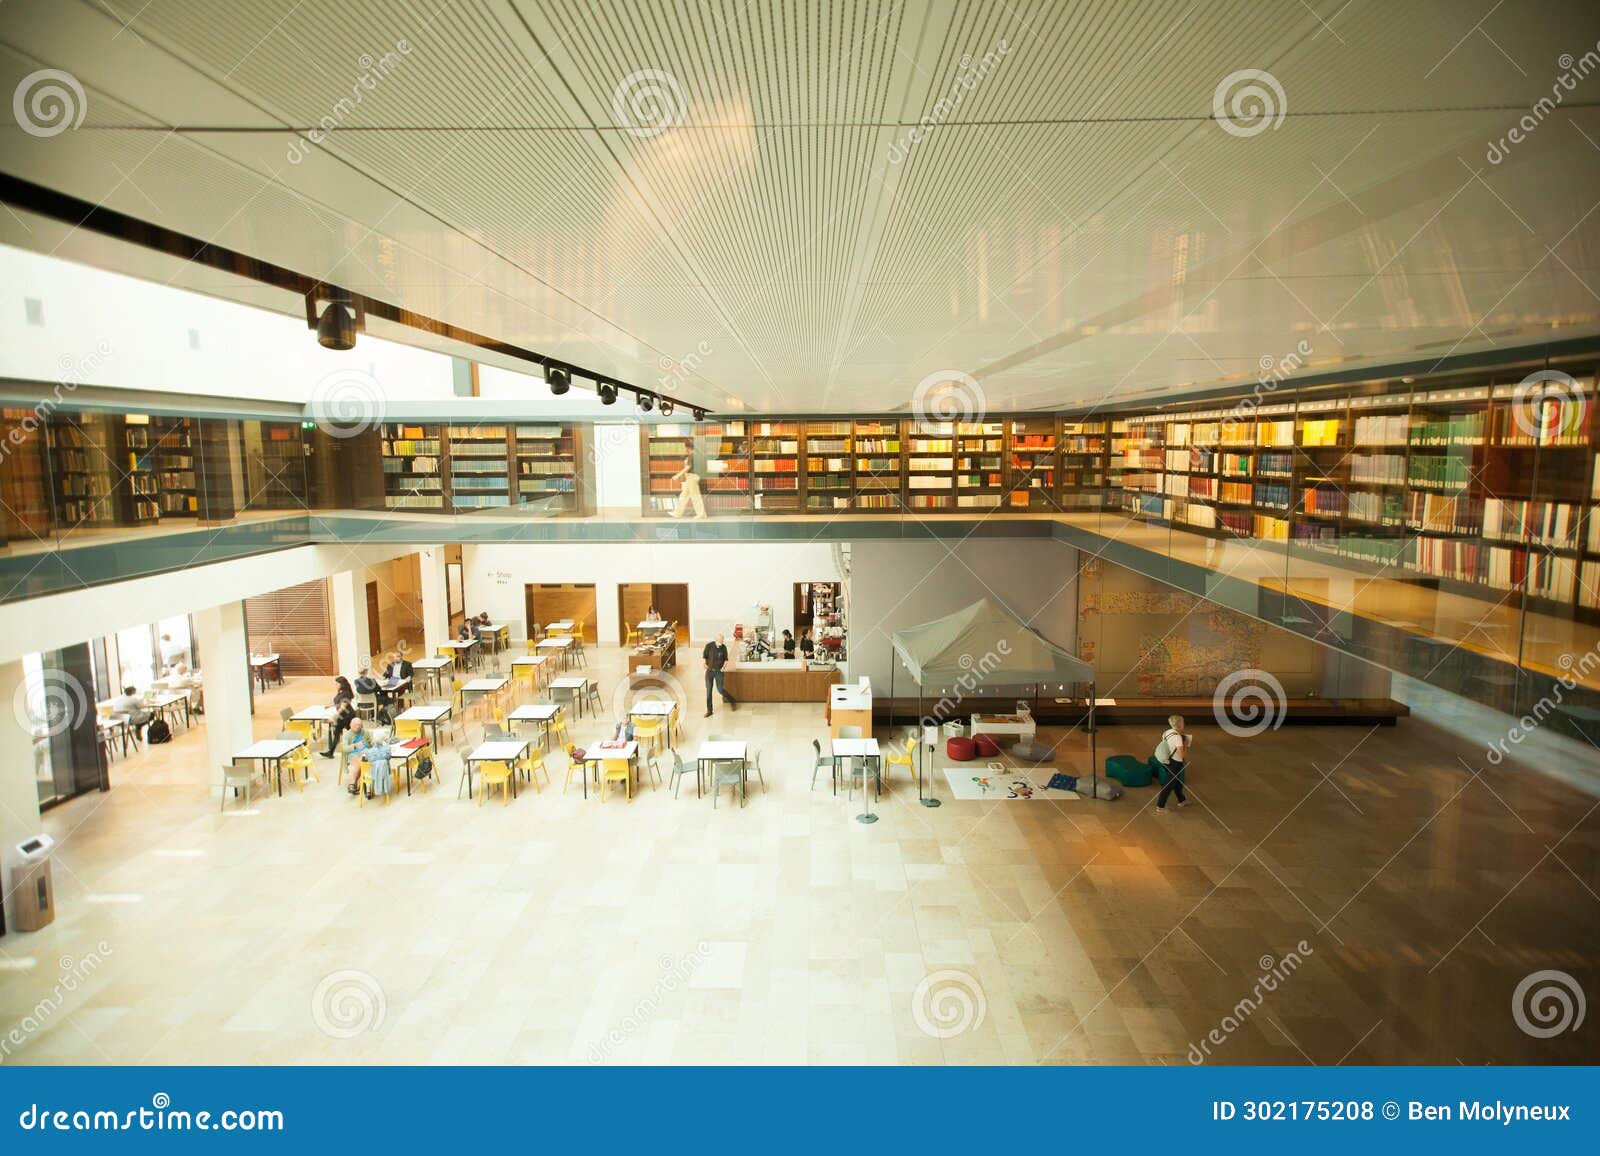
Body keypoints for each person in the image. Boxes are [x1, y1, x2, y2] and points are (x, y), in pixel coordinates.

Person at [1153, 714, 1191, 813]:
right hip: (1175, 763)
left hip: (1165, 761)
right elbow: (1181, 755)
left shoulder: (1166, 732)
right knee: (1169, 784)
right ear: (1179, 725)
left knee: (1176, 781)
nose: (1184, 723)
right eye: (1183, 722)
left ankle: (1182, 800)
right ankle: (1160, 806)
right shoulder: (1178, 738)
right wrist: (1185, 744)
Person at [702, 633, 737, 717]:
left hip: (719, 671)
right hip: (709, 671)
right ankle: (709, 710)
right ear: (716, 640)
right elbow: (704, 657)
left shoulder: (723, 647)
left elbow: (726, 659)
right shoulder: (709, 646)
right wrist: (704, 664)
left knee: (720, 690)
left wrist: (723, 668)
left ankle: (732, 700)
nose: (721, 642)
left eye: (722, 641)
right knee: (709, 691)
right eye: (720, 641)